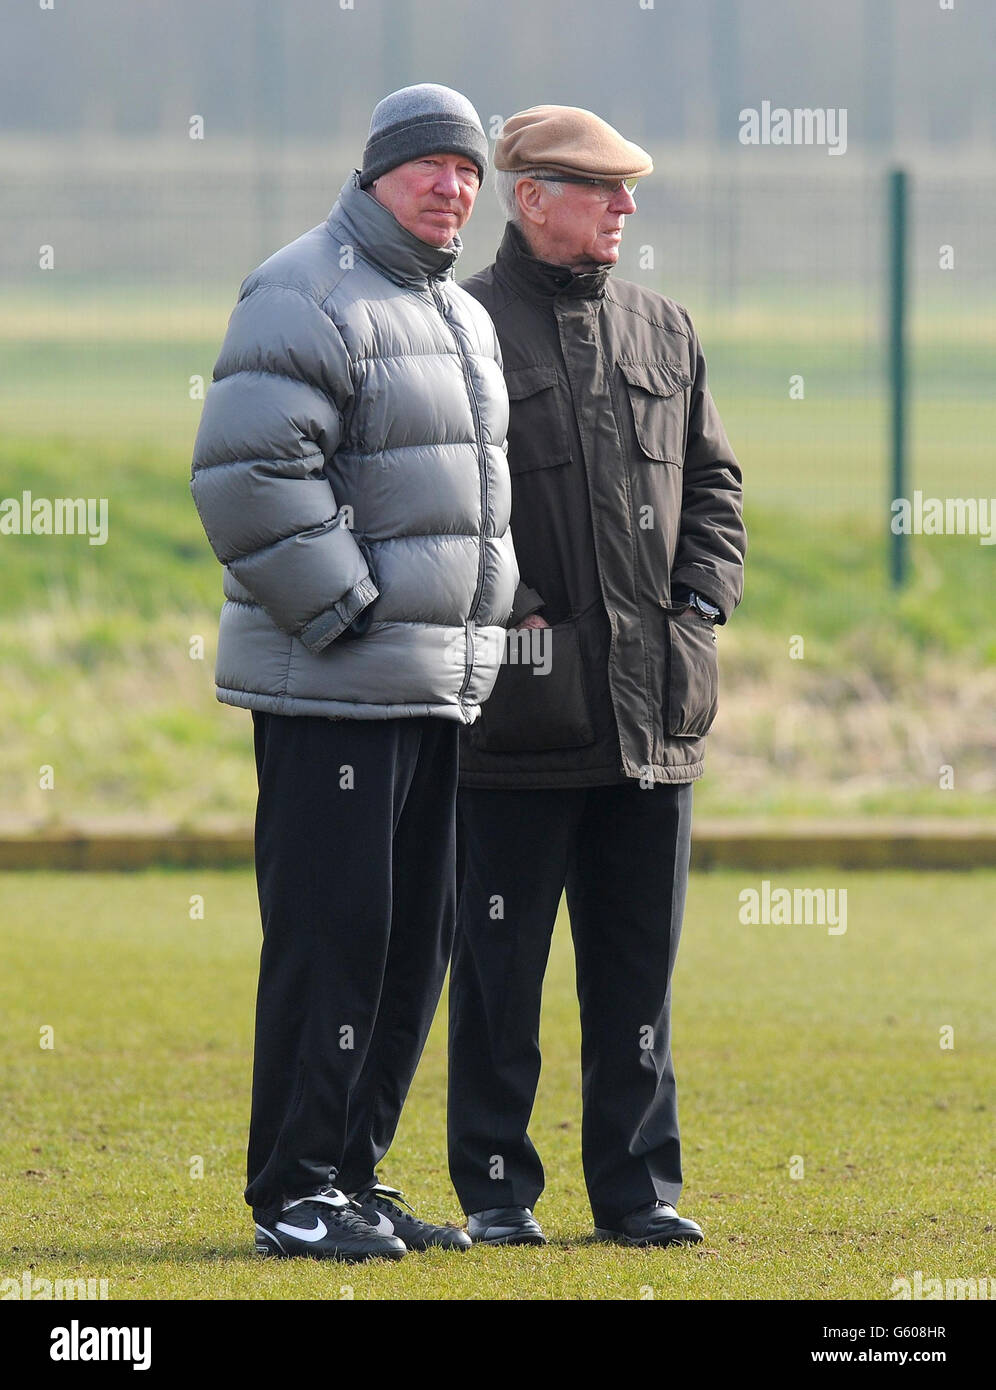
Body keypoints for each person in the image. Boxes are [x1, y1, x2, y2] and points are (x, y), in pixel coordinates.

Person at [190, 83, 521, 1262]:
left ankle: (354, 1173)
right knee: (335, 931)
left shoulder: (459, 317)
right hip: (335, 680)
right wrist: (345, 609)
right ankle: (292, 1187)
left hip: (431, 683)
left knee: (412, 938)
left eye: (471, 172)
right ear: (377, 171)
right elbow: (247, 473)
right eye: (431, 167)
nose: (453, 188)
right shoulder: (305, 286)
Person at [447, 105, 747, 1248]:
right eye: (602, 190)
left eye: (630, 192)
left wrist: (700, 600)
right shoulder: (460, 324)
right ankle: (495, 1192)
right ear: (532, 198)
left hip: (653, 719)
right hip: (520, 720)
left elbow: (715, 489)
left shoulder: (667, 328)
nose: (626, 208)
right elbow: (442, 501)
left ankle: (638, 1194)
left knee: (635, 983)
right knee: (498, 975)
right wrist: (510, 609)